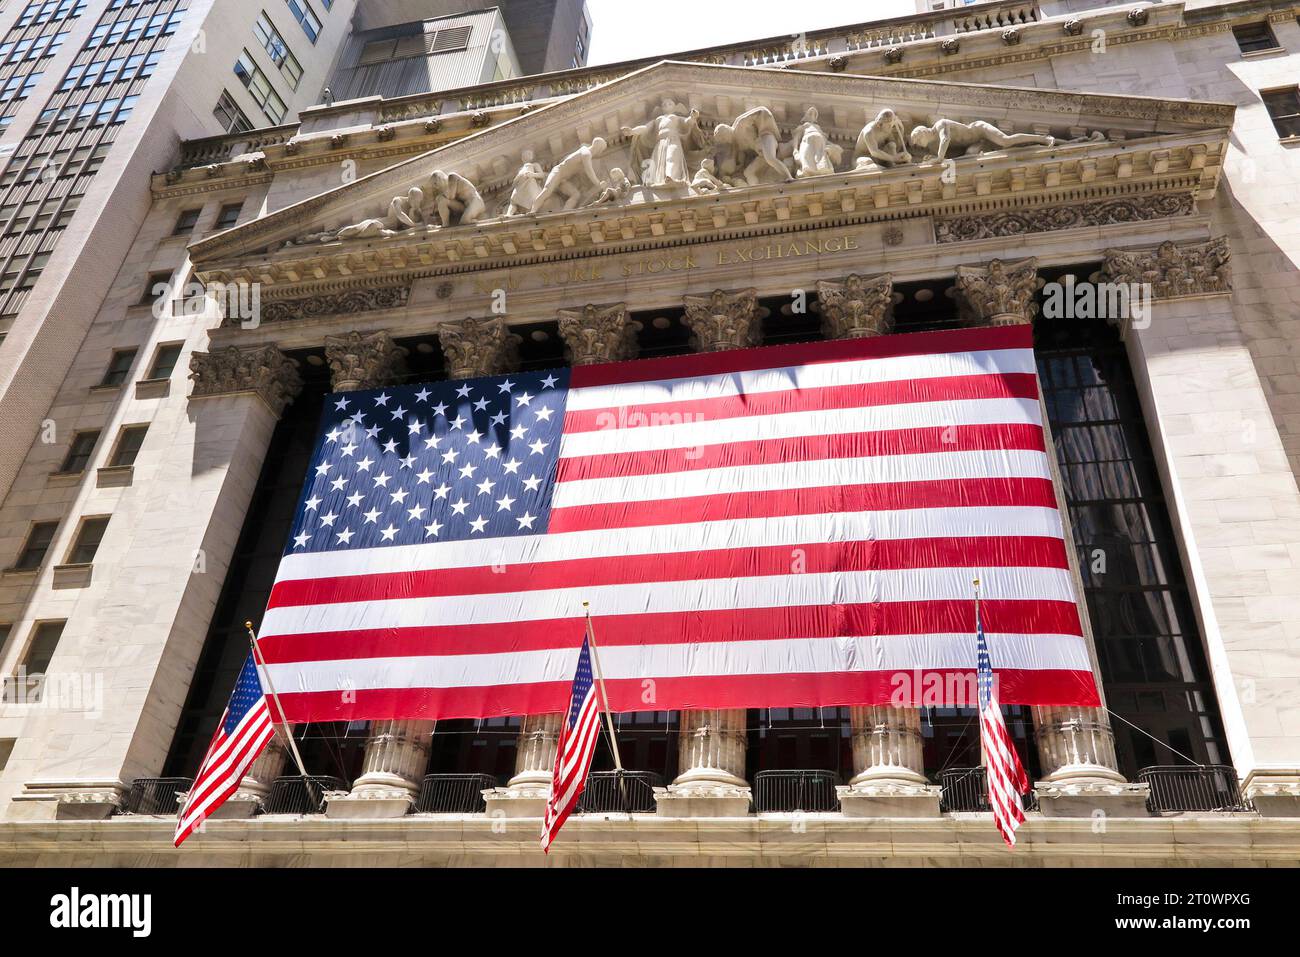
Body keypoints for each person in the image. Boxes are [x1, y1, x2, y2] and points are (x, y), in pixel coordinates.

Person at [909, 118, 1054, 162]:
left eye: (918, 141)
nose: (919, 145)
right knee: (969, 156)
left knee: (1005, 141)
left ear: (922, 133)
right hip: (976, 144)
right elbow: (950, 159)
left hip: (979, 130)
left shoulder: (940, 124)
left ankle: (1042, 139)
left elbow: (945, 139)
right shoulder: (934, 145)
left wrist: (937, 158)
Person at [529, 137, 609, 213]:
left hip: (564, 180)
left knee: (576, 195)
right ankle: (533, 210)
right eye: (601, 149)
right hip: (558, 172)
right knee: (547, 190)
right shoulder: (586, 152)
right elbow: (589, 171)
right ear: (598, 147)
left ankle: (564, 213)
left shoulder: (587, 156)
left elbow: (585, 176)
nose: (600, 152)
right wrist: (598, 184)